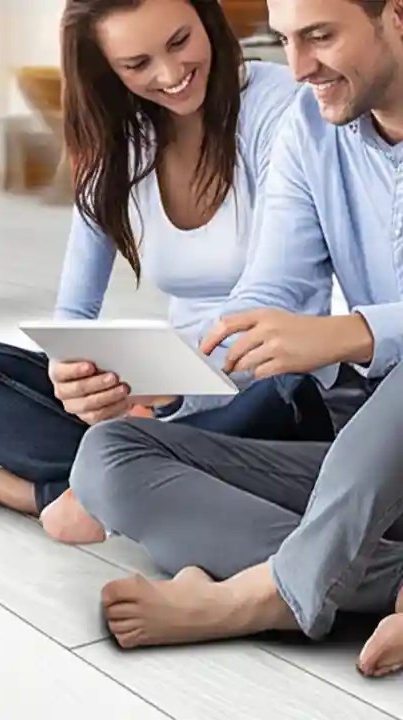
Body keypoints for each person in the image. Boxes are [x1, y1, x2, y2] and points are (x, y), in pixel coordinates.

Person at [71, 0, 403, 677]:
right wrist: (172, 373)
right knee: (109, 455)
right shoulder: (312, 130)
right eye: (285, 40)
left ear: (395, 15)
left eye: (321, 36)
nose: (300, 67)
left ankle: (269, 592)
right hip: (376, 454)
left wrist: (354, 332)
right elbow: (270, 291)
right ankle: (373, 579)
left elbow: (340, 333)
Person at [0, 0, 333, 542]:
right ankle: (117, 477)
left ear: (206, 19)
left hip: (264, 392)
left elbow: (273, 304)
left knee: (276, 401)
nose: (170, 74)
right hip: (157, 396)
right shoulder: (121, 141)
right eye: (137, 64)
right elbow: (74, 312)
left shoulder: (281, 111)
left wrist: (162, 397)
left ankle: (42, 491)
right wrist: (76, 383)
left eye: (181, 41)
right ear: (107, 69)